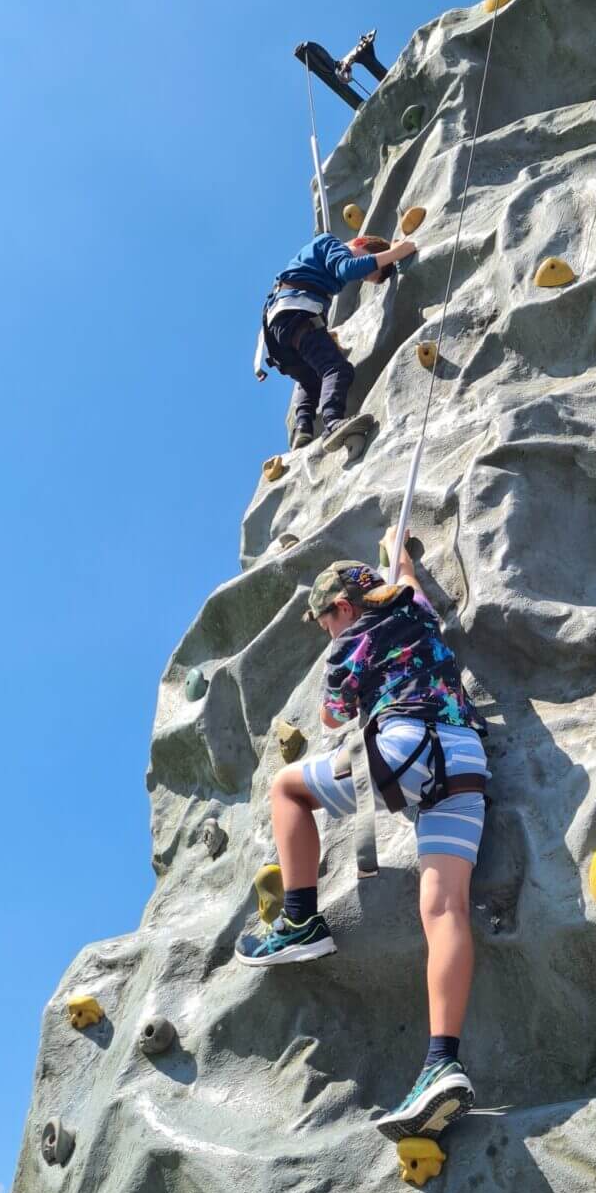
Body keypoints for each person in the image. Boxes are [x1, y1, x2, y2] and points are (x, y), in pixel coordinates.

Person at [235, 531, 489, 1143]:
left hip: (403, 749)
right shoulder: (416, 611)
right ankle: (440, 1063)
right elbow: (402, 576)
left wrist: (346, 653)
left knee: (287, 790)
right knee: (446, 907)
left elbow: (330, 717)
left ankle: (299, 921)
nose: (324, 628)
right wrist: (394, 551)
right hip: (465, 755)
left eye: (324, 617)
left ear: (342, 609)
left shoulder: (348, 646)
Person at [261, 232, 417, 449]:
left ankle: (303, 427)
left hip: (279, 333)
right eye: (367, 270)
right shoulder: (331, 243)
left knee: (311, 379)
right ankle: (332, 422)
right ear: (360, 242)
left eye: (366, 277)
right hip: (296, 315)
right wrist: (395, 253)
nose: (361, 275)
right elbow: (346, 268)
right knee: (336, 369)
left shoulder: (313, 262)